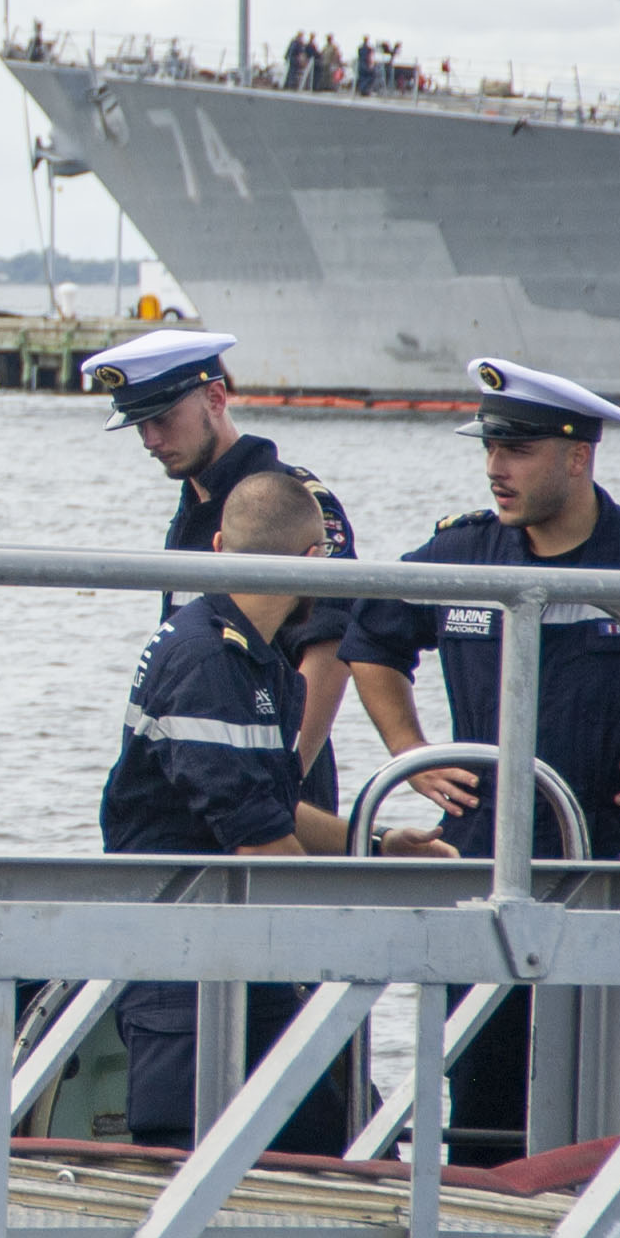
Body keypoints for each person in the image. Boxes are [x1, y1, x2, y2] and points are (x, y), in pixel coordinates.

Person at [338, 358, 620, 1161]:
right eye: (489, 448)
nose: (494, 468)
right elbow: (369, 639)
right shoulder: (461, 553)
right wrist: (410, 750)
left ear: (576, 455)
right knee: (483, 1106)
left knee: (618, 1105)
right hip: (481, 874)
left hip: (614, 879)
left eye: (517, 449)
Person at [102, 473, 447, 1152]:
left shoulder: (254, 657)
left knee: (330, 1138)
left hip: (245, 957)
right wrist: (366, 916)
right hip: (186, 971)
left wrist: (375, 843)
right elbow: (258, 841)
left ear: (219, 546)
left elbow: (271, 807)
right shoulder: (205, 659)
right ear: (314, 562)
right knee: (185, 1159)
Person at [77, 326, 362, 818]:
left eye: (162, 419)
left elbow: (329, 650)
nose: (150, 440)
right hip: (201, 775)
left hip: (270, 774)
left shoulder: (291, 504)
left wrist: (287, 777)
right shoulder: (193, 506)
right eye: (139, 425)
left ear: (215, 397)